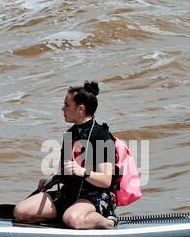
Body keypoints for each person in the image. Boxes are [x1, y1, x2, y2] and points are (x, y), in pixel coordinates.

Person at [12, 81, 118, 229]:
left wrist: (83, 172)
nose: (63, 109)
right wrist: (52, 180)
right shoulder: (70, 134)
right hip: (68, 195)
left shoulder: (102, 136)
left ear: (80, 109)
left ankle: (107, 221)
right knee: (20, 212)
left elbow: (106, 180)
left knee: (71, 219)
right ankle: (60, 218)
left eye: (67, 105)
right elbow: (68, 171)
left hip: (94, 198)